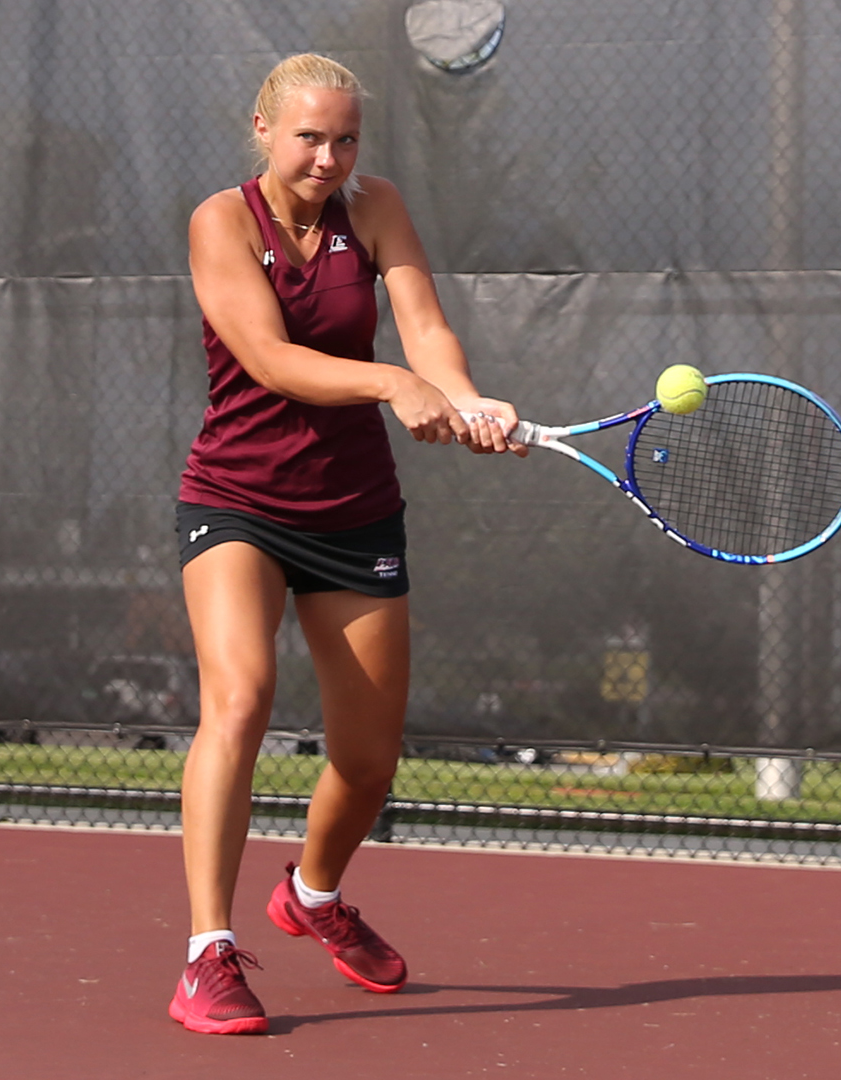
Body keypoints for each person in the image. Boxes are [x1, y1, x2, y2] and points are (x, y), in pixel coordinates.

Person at [168, 53, 522, 1036]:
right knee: (239, 698)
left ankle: (313, 897)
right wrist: (392, 387)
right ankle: (206, 954)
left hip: (354, 510)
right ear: (264, 129)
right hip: (237, 500)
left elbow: (426, 329)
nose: (328, 156)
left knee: (368, 762)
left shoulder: (375, 210)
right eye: (310, 137)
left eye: (346, 138)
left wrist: (460, 394)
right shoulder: (221, 222)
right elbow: (273, 360)